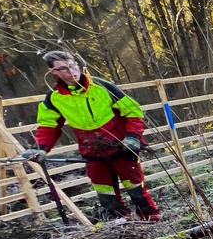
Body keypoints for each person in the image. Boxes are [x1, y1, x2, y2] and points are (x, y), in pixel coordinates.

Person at [25, 51, 160, 221]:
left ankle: (152, 222)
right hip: (93, 153)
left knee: (136, 190)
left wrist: (133, 137)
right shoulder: (54, 98)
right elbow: (48, 125)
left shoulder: (102, 87)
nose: (71, 71)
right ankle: (124, 228)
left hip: (122, 148)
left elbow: (133, 111)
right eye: (63, 69)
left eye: (72, 65)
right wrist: (40, 148)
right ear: (54, 73)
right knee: (107, 196)